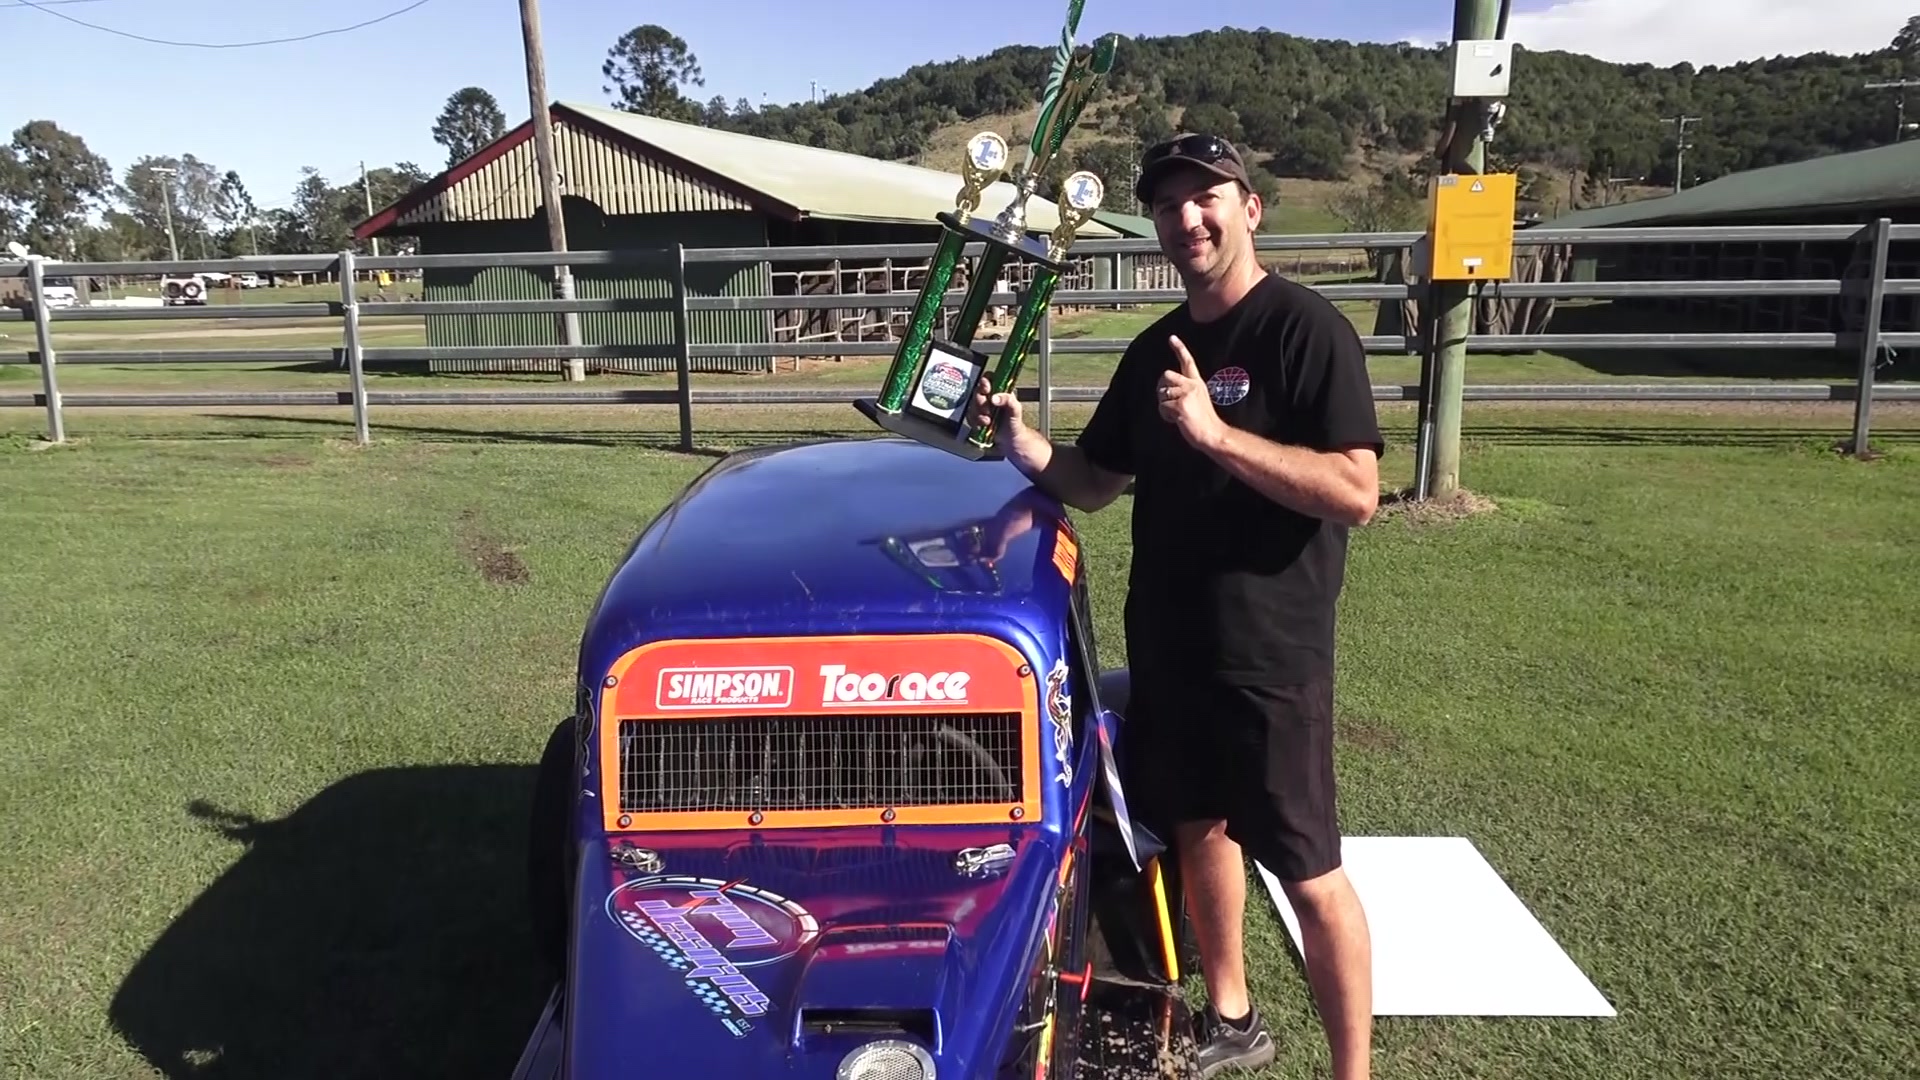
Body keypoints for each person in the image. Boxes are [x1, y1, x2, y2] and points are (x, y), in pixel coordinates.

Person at [967, 133, 1382, 1079]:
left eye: (1206, 198)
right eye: (1166, 205)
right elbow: (1095, 479)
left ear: (1250, 208)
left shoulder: (1307, 331)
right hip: (1169, 645)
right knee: (1198, 827)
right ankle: (1233, 1016)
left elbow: (1356, 491)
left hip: (1269, 656)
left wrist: (1214, 433)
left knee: (1310, 873)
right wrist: (1023, 443)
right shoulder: (1155, 347)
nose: (1186, 218)